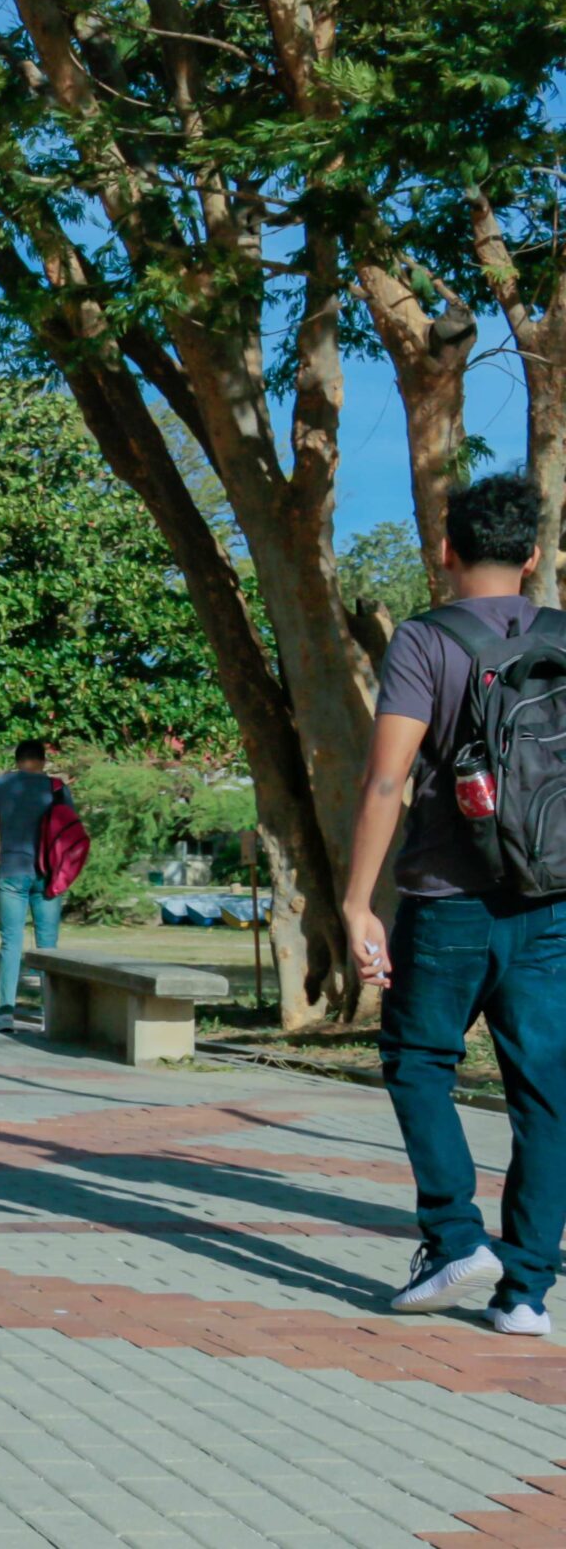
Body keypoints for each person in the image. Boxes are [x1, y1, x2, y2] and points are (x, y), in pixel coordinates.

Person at [344, 471, 566, 1336]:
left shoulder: (425, 640)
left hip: (446, 900)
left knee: (417, 1061)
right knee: (545, 1090)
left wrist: (358, 901)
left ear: (445, 550)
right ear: (533, 555)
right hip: (551, 902)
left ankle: (454, 1238)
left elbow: (387, 778)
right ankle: (528, 1292)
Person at [0, 741, 69, 1032]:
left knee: (11, 942)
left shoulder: (2, 784)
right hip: (49, 874)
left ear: (17, 760)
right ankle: (51, 1017)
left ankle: (5, 1013)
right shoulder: (57, 788)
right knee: (48, 946)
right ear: (43, 761)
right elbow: (70, 829)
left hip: (12, 871)